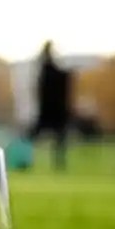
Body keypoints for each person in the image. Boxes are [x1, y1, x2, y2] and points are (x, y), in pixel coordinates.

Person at [28, 41, 72, 171]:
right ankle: (26, 161)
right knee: (56, 139)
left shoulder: (44, 69)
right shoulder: (46, 70)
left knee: (58, 140)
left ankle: (58, 164)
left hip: (53, 110)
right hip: (52, 110)